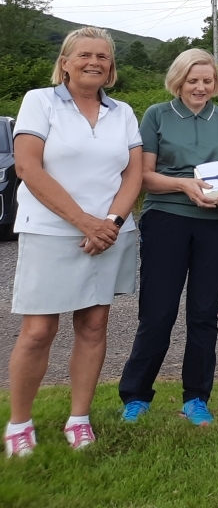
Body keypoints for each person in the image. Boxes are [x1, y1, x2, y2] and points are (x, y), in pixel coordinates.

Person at [5, 27, 142, 457]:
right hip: (52, 229)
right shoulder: (39, 101)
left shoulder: (123, 112)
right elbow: (28, 167)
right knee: (38, 330)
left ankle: (79, 418)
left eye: (103, 56)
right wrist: (84, 221)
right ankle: (19, 423)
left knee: (94, 325)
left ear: (111, 66)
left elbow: (133, 175)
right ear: (64, 61)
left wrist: (111, 222)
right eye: (84, 54)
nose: (94, 62)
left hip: (108, 232)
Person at [117, 48, 218, 427]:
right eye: (193, 80)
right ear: (178, 81)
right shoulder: (156, 115)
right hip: (167, 219)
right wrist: (183, 185)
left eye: (207, 80)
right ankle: (137, 396)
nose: (200, 87)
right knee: (158, 313)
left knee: (204, 313)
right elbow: (143, 175)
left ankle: (196, 398)